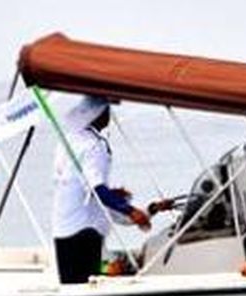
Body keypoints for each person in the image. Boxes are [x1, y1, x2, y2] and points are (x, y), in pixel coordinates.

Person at [52, 96, 171, 284]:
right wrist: (131, 211)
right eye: (107, 110)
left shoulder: (69, 142)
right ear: (98, 114)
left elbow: (91, 191)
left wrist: (152, 209)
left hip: (65, 231)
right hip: (85, 235)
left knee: (75, 283)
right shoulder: (93, 146)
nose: (109, 115)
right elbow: (99, 191)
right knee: (92, 279)